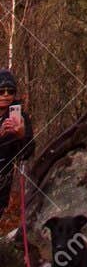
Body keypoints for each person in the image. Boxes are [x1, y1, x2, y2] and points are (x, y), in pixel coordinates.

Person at [0, 68, 34, 213]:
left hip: (3, 180)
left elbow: (27, 152)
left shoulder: (20, 117)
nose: (6, 95)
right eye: (1, 91)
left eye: (11, 91)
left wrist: (21, 135)